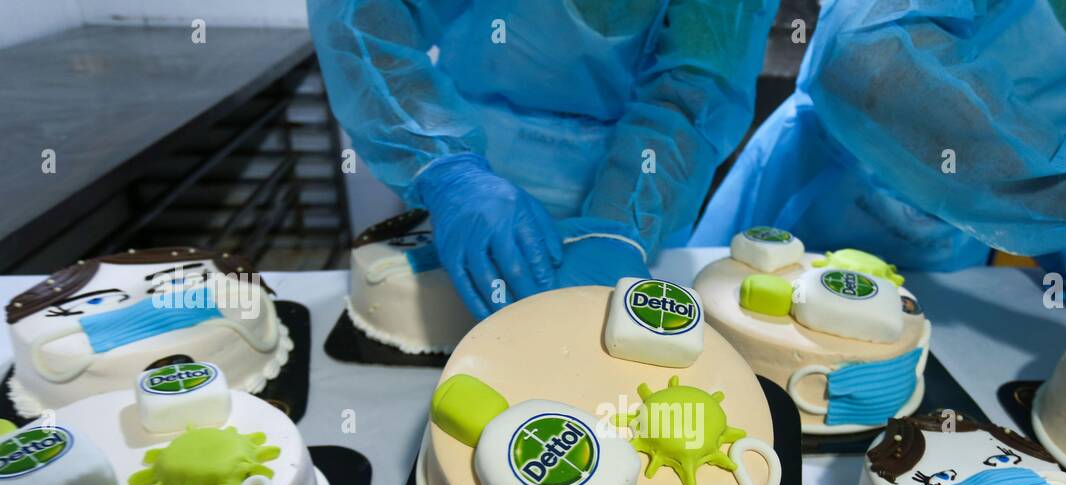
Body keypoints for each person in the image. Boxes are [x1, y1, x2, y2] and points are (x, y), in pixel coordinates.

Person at [690, 0, 1066, 346]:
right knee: (729, 356)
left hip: (963, 233)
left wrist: (1046, 210)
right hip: (826, 180)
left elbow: (1050, 87)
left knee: (877, 394)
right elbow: (866, 51)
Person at [309, 0, 780, 319]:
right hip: (473, 156)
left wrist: (625, 223)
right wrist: (442, 167)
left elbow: (693, 94)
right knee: (442, 323)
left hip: (640, 170)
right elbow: (361, 17)